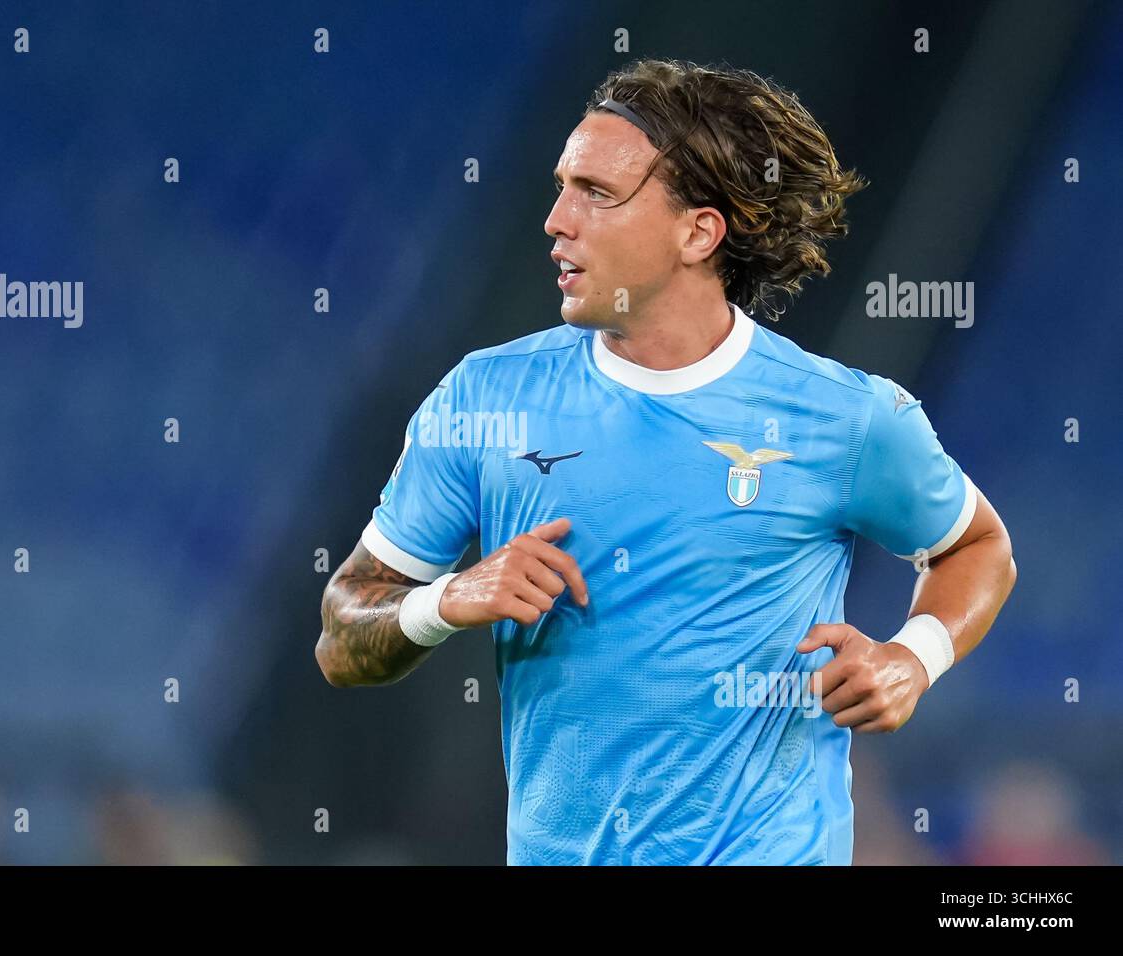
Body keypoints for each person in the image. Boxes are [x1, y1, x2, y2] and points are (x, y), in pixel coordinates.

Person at [315, 58, 1017, 865]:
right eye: (561, 185)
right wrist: (446, 599)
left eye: (597, 193)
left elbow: (977, 546)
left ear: (699, 232)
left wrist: (913, 656)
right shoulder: (485, 398)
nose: (556, 219)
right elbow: (342, 637)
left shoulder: (847, 418)